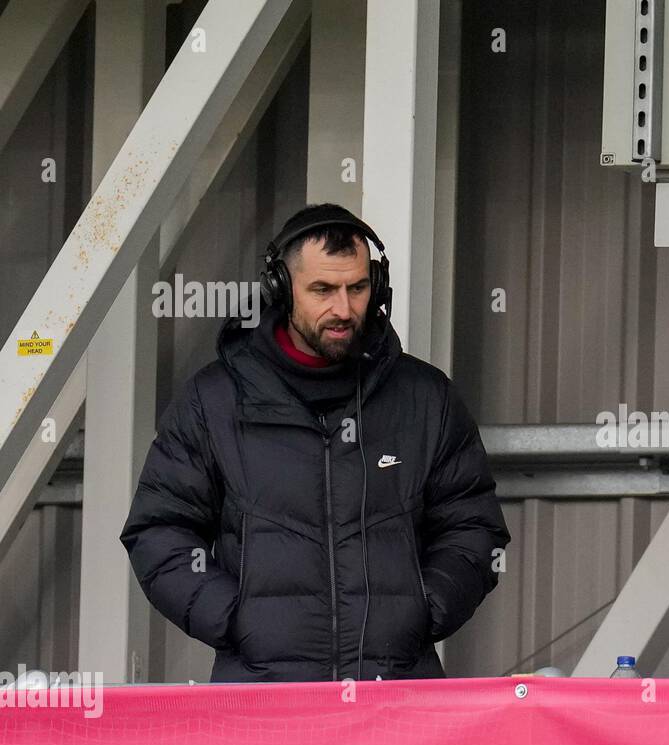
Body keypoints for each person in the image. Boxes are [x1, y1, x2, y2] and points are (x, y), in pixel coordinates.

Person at [121, 204, 510, 682]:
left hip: (398, 698)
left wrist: (423, 610)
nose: (343, 310)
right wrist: (234, 619)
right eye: (322, 290)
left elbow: (474, 527)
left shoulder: (425, 399)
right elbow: (159, 531)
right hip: (264, 701)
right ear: (282, 290)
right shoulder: (214, 401)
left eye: (358, 288)